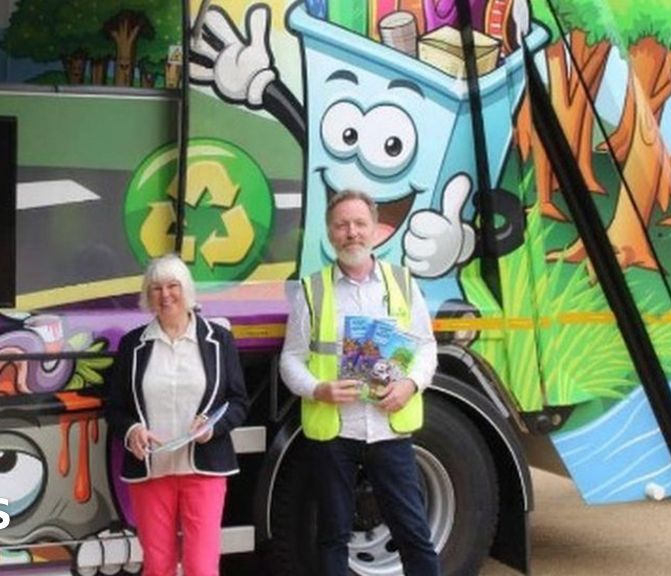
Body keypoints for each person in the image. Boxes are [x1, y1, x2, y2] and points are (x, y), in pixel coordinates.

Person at [280, 189, 440, 576]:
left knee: (413, 533)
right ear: (330, 233)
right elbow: (290, 359)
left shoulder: (401, 283)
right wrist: (318, 389)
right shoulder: (312, 290)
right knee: (333, 536)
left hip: (389, 428)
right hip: (336, 432)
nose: (351, 232)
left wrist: (410, 386)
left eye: (359, 224)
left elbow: (426, 346)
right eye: (342, 225)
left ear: (375, 229)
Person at [107, 253, 249, 576]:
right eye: (156, 288)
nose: (165, 295)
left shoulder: (219, 341)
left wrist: (213, 428)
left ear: (187, 290)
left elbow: (238, 402)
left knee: (201, 566)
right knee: (158, 567)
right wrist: (131, 432)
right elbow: (115, 407)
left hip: (204, 470)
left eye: (173, 286)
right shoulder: (132, 345)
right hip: (151, 470)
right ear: (148, 295)